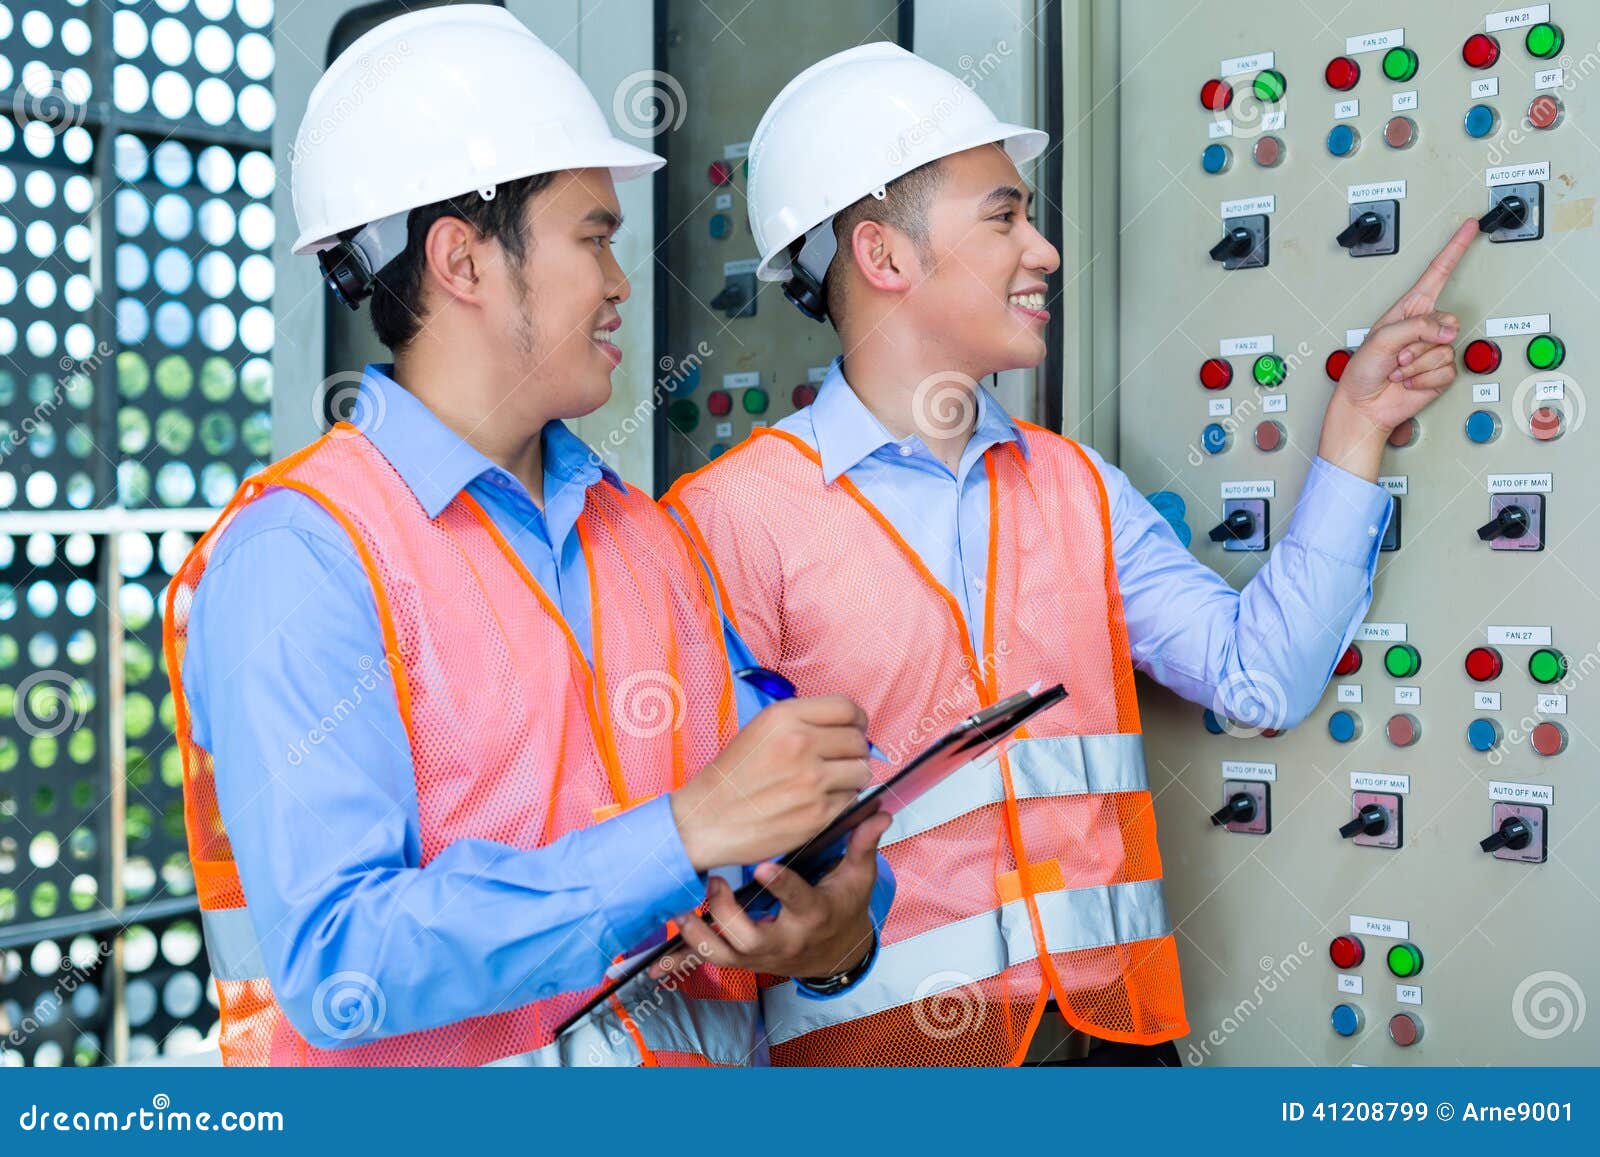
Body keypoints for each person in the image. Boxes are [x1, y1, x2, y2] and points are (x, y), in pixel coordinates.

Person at [664, 42, 1477, 1066]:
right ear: (883, 256)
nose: (1044, 250)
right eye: (1004, 217)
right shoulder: (726, 520)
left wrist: (1355, 427)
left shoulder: (1072, 485)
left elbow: (1256, 673)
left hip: (1112, 1046)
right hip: (890, 1066)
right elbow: (704, 871)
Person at [164, 6, 887, 1067]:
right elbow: (340, 961)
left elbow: (751, 823)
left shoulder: (642, 539)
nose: (619, 283)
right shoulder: (303, 555)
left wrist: (830, 929)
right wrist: (681, 834)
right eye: (593, 237)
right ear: (463, 261)